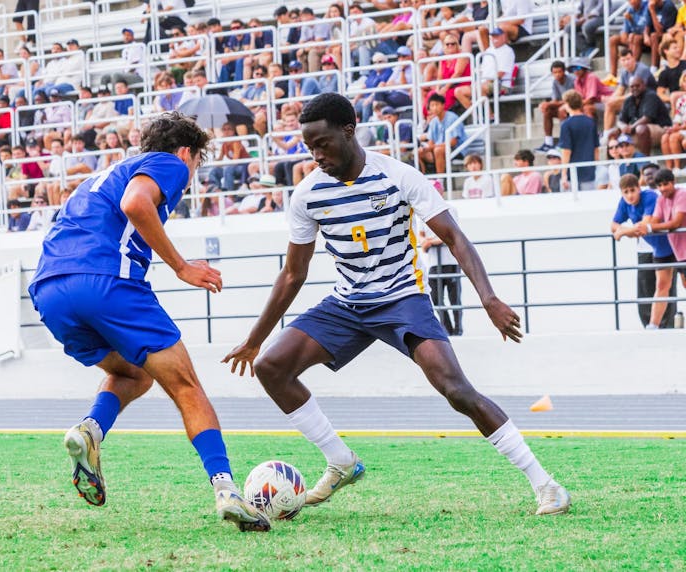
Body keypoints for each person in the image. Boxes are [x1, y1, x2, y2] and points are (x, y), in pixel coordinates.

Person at [222, 93, 571, 516]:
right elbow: (294, 273)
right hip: (347, 304)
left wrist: (489, 298)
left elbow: (454, 238)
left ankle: (547, 485)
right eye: (309, 147)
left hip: (402, 298)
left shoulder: (397, 176)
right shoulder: (307, 195)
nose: (316, 155)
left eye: (323, 144)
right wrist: (254, 340)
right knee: (270, 367)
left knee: (456, 390)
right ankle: (342, 461)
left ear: (349, 130)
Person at [27, 112, 269, 532]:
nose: (190, 176)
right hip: (106, 282)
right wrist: (180, 266)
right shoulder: (169, 163)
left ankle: (91, 429)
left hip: (50, 291)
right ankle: (227, 489)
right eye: (196, 164)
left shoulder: (98, 178)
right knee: (186, 385)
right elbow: (136, 203)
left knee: (135, 375)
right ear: (186, 152)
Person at [612, 173, 678, 329]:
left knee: (677, 283)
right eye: (626, 192)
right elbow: (613, 225)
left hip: (674, 244)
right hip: (659, 249)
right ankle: (653, 326)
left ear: (639, 189)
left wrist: (622, 232)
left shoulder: (649, 196)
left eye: (632, 190)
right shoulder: (624, 202)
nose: (630, 195)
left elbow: (645, 225)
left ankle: (666, 324)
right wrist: (624, 230)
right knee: (661, 286)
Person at [421, 180, 463, 335]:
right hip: (433, 262)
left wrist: (430, 242)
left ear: (441, 192)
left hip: (450, 261)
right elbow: (421, 234)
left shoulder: (450, 210)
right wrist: (424, 242)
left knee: (454, 300)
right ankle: (448, 330)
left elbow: (452, 235)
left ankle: (458, 330)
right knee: (436, 299)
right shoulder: (423, 211)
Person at [638, 168, 686, 287]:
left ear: (673, 182)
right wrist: (648, 226)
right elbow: (655, 220)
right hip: (679, 251)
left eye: (665, 184)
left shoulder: (682, 194)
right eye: (659, 185)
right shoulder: (661, 199)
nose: (663, 188)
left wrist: (649, 227)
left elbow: (676, 223)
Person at [558, 89, 600, 191]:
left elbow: (566, 151)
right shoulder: (590, 122)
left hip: (572, 173)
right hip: (589, 171)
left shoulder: (566, 125)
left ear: (567, 104)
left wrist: (563, 174)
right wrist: (595, 167)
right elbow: (596, 149)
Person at [534, 61, 575, 153]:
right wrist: (545, 104)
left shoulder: (572, 80)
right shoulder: (555, 82)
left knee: (561, 110)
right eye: (554, 72)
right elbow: (555, 100)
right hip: (564, 106)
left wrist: (549, 104)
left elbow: (571, 99)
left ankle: (564, 140)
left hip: (574, 106)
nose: (557, 75)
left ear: (564, 71)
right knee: (547, 111)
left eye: (559, 72)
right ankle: (548, 142)